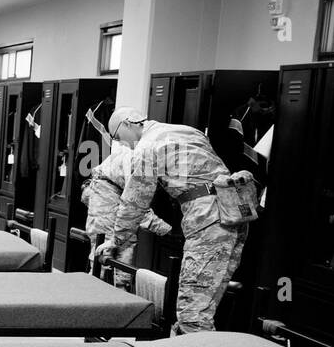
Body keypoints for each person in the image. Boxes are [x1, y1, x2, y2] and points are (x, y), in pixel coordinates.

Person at [96, 107, 258, 333]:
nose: (122, 144)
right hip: (234, 214)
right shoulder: (188, 131)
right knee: (206, 303)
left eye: (117, 137)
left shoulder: (148, 146)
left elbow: (134, 202)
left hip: (207, 223)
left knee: (192, 313)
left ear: (129, 123)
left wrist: (116, 241)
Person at [83, 144, 172, 287]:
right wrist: (167, 230)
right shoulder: (143, 163)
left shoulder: (143, 157)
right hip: (106, 196)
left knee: (114, 249)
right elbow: (136, 206)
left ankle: (114, 294)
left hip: (105, 192)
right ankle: (107, 298)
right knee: (106, 255)